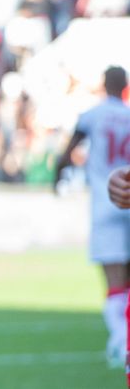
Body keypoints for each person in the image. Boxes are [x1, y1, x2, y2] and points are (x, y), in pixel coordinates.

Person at [56, 65, 130, 367]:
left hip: (105, 201)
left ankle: (119, 342)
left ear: (104, 84)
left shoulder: (93, 115)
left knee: (113, 281)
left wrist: (56, 174)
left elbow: (69, 149)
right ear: (125, 86)